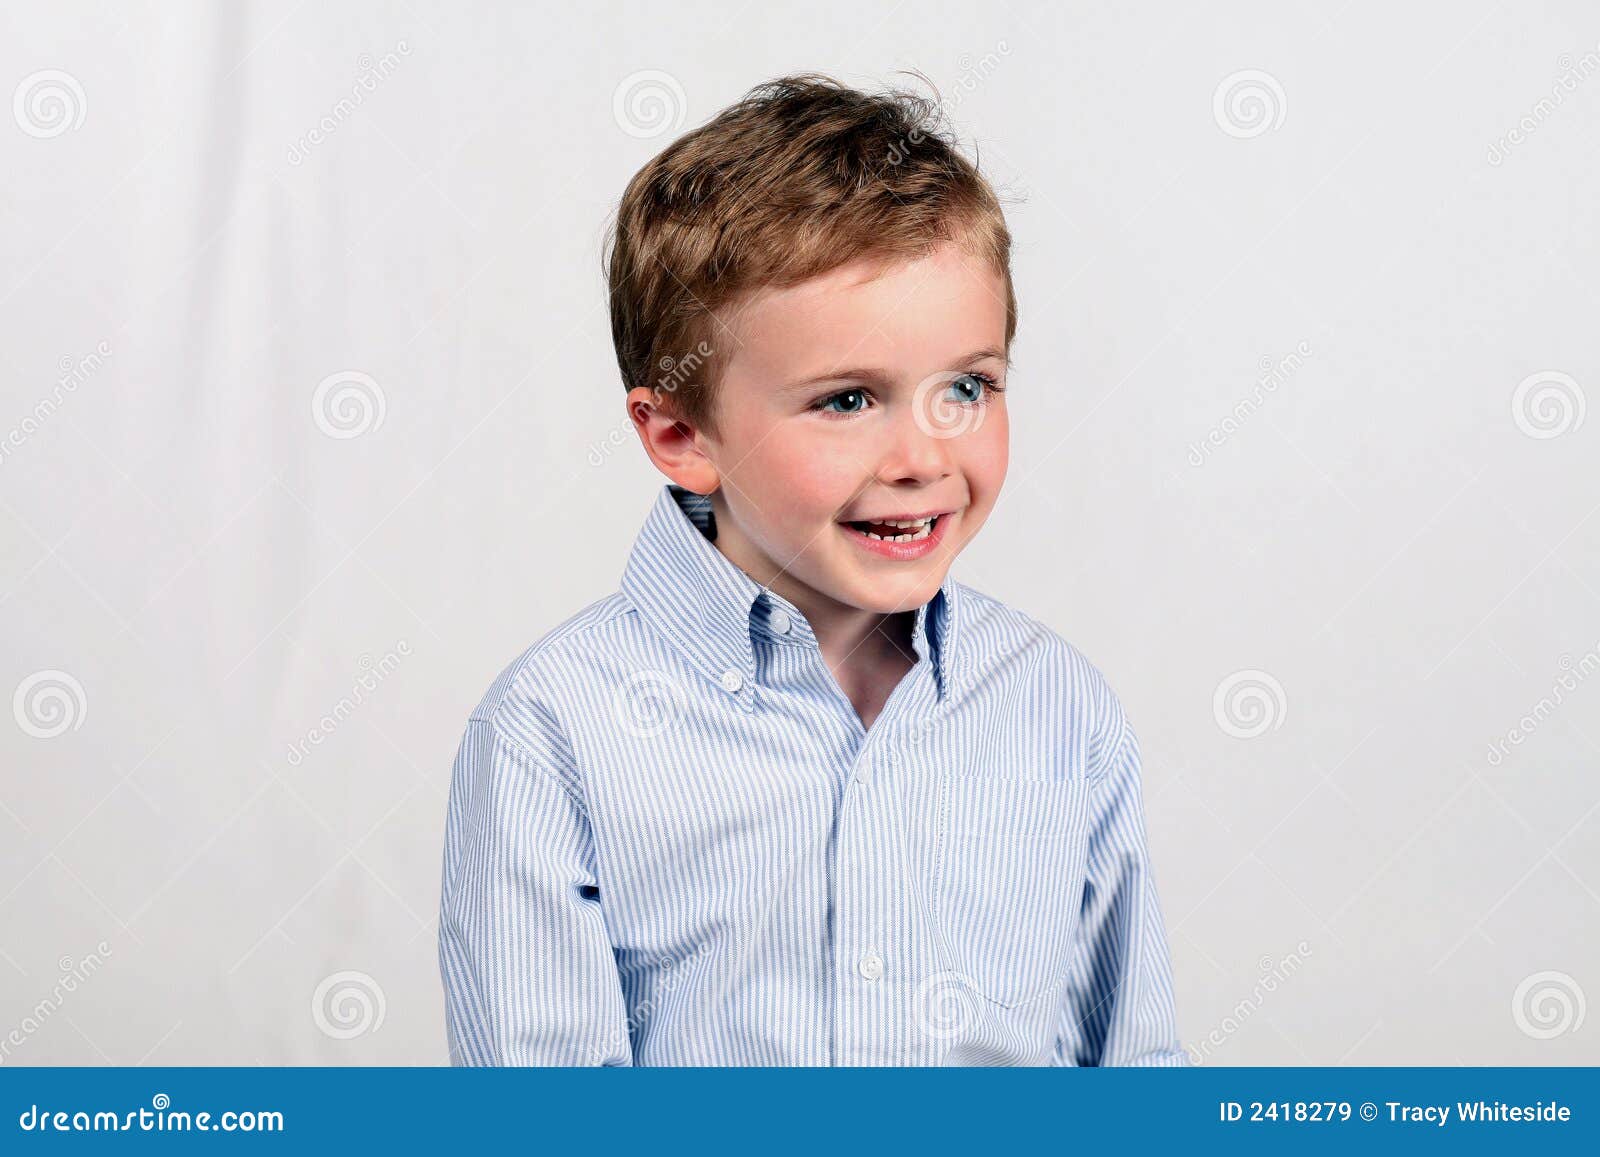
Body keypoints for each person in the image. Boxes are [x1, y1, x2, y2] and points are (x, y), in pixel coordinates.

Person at [438, 72, 1186, 1066]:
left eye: (966, 386)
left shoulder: (1057, 705)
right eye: (846, 400)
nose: (921, 456)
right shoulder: (554, 731)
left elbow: (1134, 1071)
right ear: (679, 433)